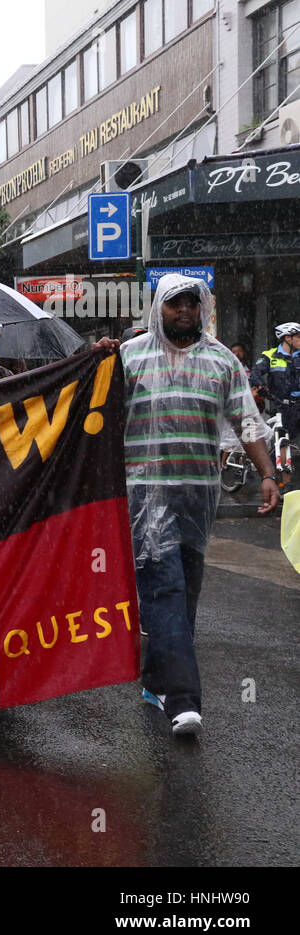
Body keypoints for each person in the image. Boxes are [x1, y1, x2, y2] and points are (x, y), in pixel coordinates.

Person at [108, 275, 279, 737]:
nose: (184, 311)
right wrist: (95, 363)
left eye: (191, 303)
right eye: (174, 304)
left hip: (198, 494)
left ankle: (154, 680)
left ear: (202, 308)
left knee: (185, 592)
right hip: (146, 494)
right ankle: (183, 700)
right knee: (164, 589)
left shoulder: (222, 360)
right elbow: (98, 416)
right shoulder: (128, 356)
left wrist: (267, 475)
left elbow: (247, 422)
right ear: (157, 309)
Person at [250, 322, 300, 445]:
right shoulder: (270, 355)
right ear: (288, 338)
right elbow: (255, 374)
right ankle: (280, 462)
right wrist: (261, 387)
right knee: (282, 441)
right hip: (281, 405)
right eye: (299, 337)